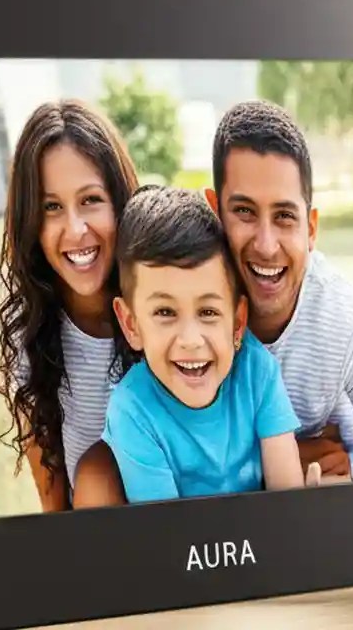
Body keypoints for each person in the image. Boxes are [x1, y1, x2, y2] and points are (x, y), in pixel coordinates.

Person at [205, 100, 353, 482]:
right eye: (244, 212)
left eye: (284, 216)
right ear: (214, 210)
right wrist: (277, 463)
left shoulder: (343, 316)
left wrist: (338, 491)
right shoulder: (188, 299)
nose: (266, 245)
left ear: (311, 228)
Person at [103, 186, 321, 502]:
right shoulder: (132, 410)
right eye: (165, 312)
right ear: (131, 324)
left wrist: (305, 508)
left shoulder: (257, 372)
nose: (191, 341)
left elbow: (285, 503)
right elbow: (165, 536)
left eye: (208, 312)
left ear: (237, 322)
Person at [0, 99, 137, 512]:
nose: (75, 230)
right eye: (52, 207)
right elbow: (55, 509)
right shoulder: (32, 335)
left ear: (120, 201)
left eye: (91, 199)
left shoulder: (165, 303)